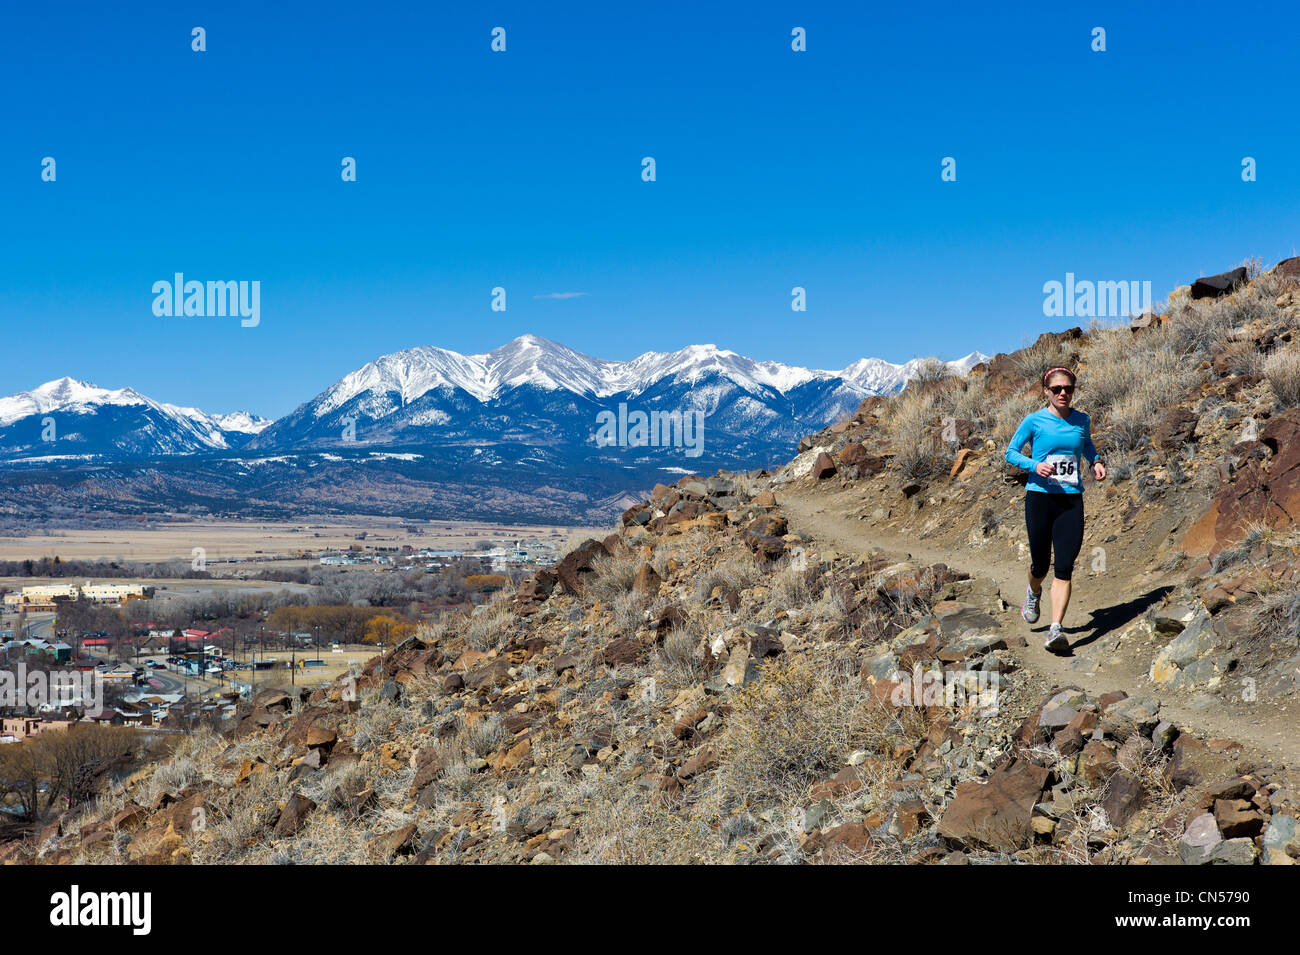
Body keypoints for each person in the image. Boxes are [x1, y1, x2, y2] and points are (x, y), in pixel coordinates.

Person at [1004, 366, 1106, 653]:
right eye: (1057, 389)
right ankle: (1033, 591)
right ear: (1046, 391)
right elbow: (1010, 452)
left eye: (1068, 389)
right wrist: (1034, 465)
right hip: (1040, 498)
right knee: (1040, 563)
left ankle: (1055, 629)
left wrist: (1095, 461)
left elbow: (1086, 444)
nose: (1063, 393)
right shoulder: (1034, 421)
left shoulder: (1082, 420)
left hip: (1071, 501)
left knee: (1064, 566)